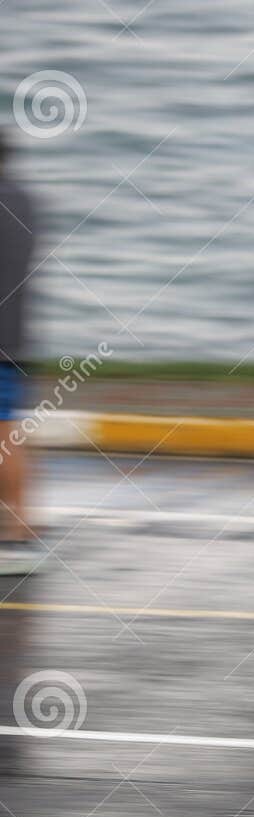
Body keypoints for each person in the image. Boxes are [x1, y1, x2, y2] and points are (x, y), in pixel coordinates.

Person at [0, 131, 42, 575]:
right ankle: (22, 525)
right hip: (18, 334)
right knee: (12, 435)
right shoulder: (26, 200)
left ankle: (17, 535)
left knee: (5, 437)